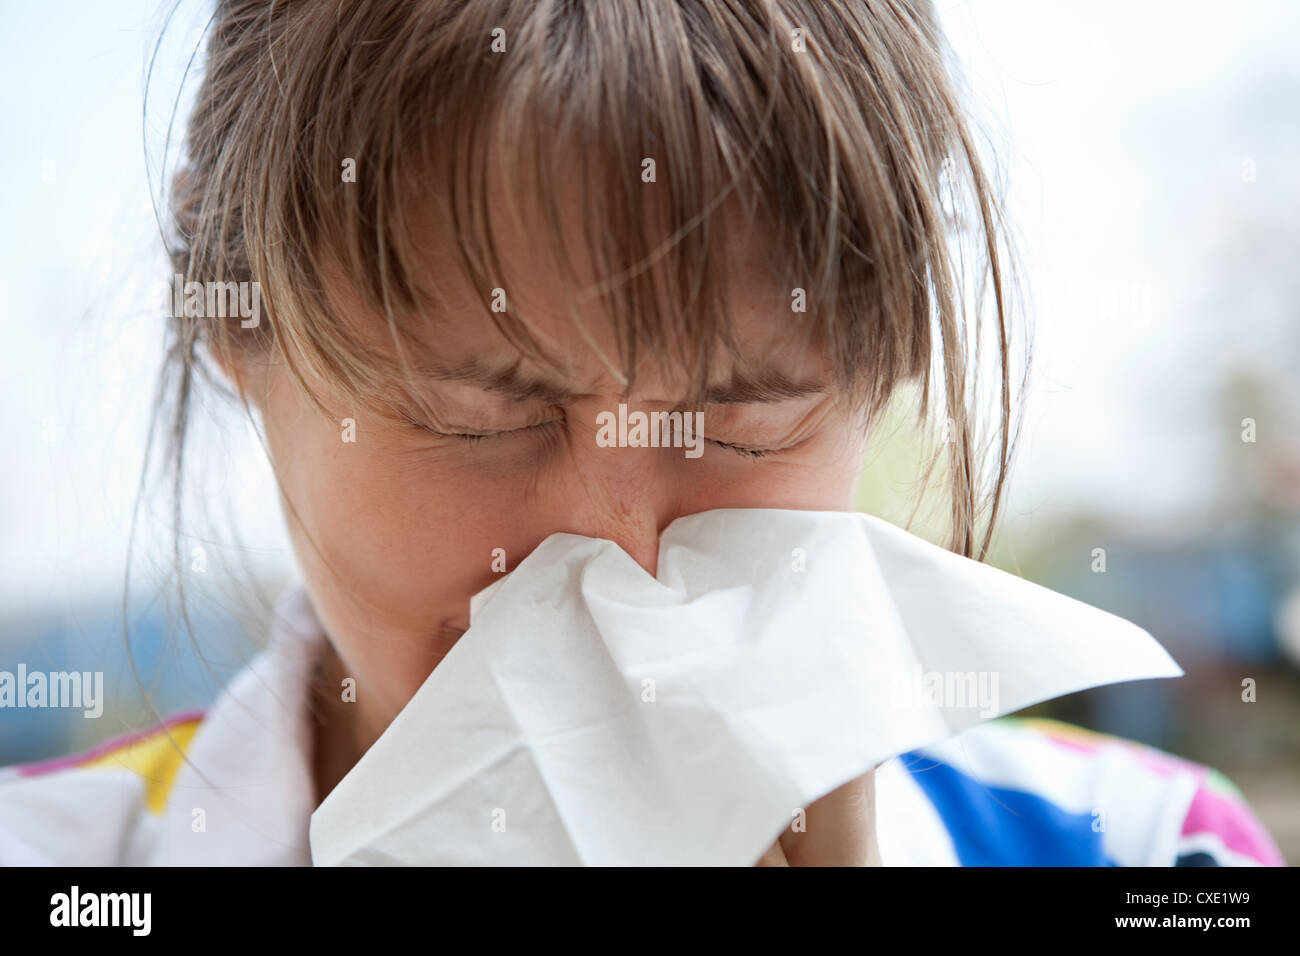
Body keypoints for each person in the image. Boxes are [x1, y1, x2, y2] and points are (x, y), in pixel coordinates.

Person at [0, 0, 1284, 866]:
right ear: (236, 329)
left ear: (875, 377)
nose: (618, 558)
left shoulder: (1151, 847)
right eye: (477, 412)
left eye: (745, 418)